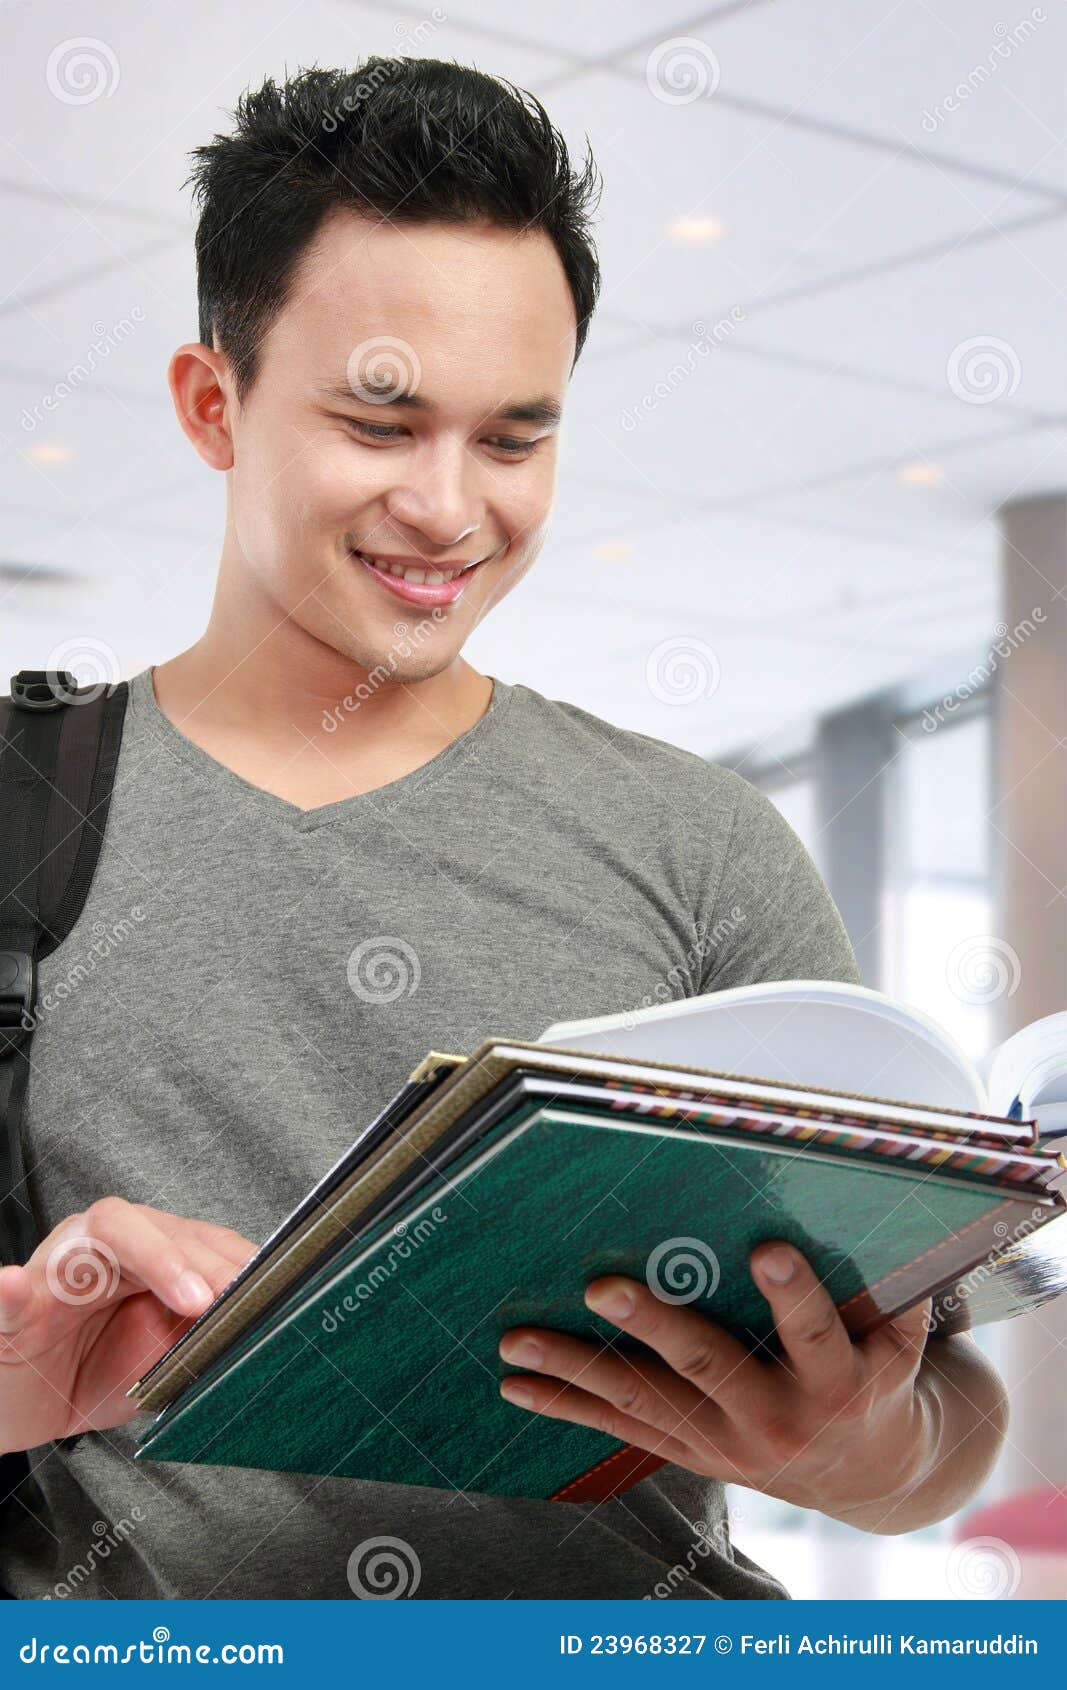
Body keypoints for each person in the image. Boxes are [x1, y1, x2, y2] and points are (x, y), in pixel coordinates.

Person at [0, 57, 1007, 1601]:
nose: (451, 509)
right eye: (380, 423)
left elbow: (945, 1407)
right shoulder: (26, 805)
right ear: (216, 401)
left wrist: (855, 1451)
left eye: (515, 440)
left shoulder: (701, 845)